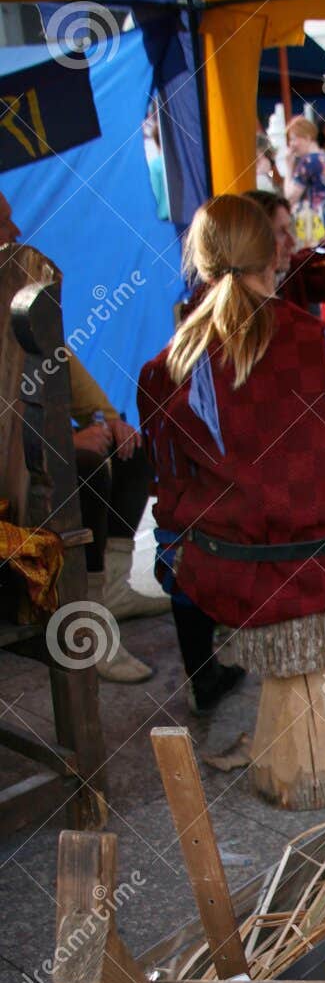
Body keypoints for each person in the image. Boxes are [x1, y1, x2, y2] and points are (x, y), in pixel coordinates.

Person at [138, 196, 325, 702]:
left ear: (201, 264)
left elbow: (168, 482)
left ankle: (203, 679)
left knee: (172, 533)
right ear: (275, 256)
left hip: (223, 576)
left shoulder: (165, 371)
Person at [0, 189, 152, 683]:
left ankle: (110, 592)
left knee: (130, 450)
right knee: (81, 469)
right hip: (7, 488)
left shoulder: (19, 307)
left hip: (29, 457)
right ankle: (87, 624)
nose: (16, 233)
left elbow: (69, 375)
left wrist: (110, 421)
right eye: (3, 224)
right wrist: (62, 446)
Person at [285, 115, 325, 246]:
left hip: (315, 228)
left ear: (307, 137)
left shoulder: (308, 161)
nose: (291, 145)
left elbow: (290, 197)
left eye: (293, 139)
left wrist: (288, 167)